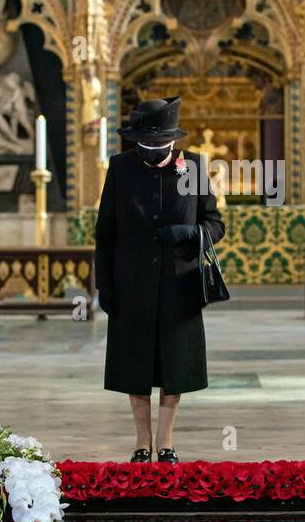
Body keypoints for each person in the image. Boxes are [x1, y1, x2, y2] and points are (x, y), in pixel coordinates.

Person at [94, 97, 225, 464]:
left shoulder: (194, 166)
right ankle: (141, 442)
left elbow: (216, 223)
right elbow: (105, 233)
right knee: (134, 364)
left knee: (175, 364)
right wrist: (104, 285)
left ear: (172, 140)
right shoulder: (120, 168)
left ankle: (165, 442)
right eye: (146, 146)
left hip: (178, 284)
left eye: (159, 146)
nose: (153, 153)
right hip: (131, 283)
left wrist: (191, 233)